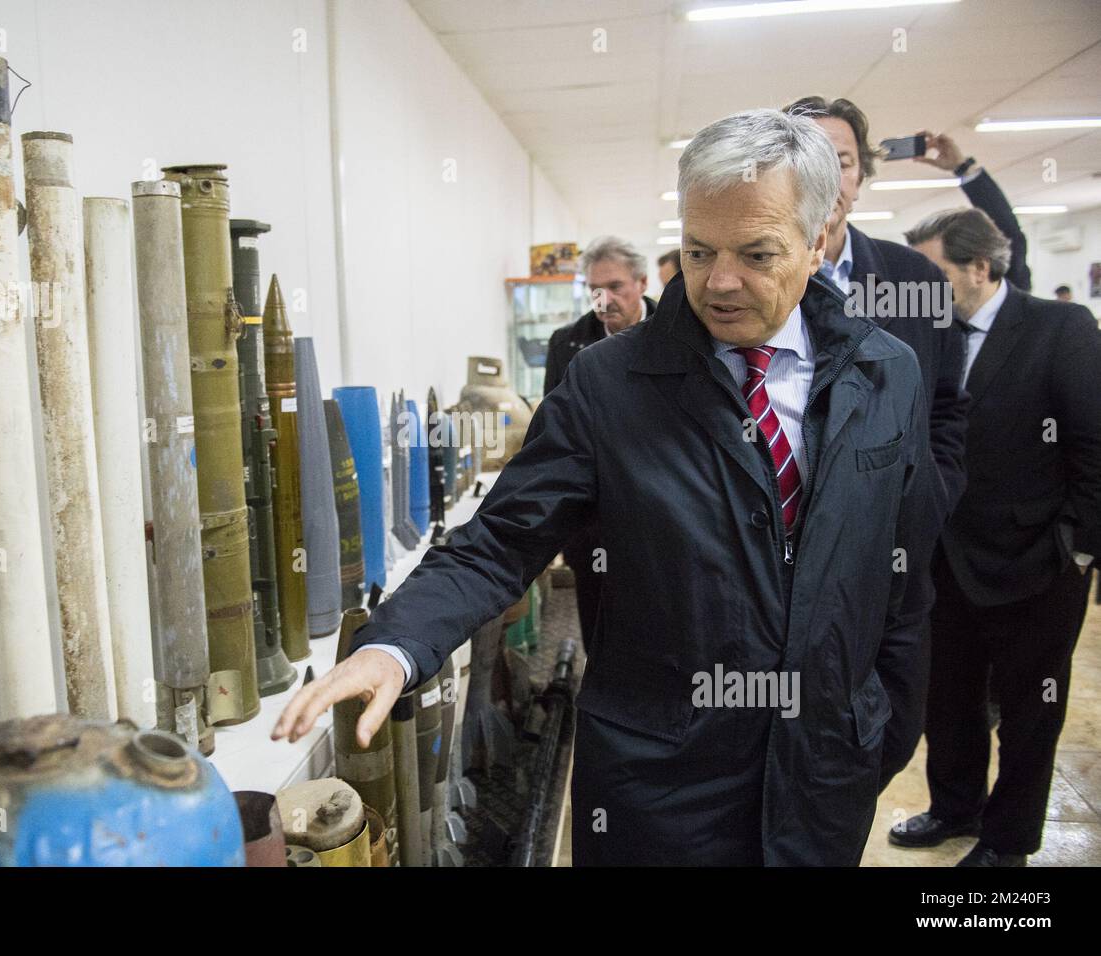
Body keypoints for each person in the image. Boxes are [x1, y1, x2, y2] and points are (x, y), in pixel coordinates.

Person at [273, 109, 930, 866]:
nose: (717, 282)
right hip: (659, 792)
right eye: (697, 250)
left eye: (755, 253)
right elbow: (496, 544)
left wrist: (879, 727)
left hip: (821, 784)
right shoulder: (608, 386)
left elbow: (905, 578)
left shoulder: (886, 377)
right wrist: (394, 643)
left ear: (819, 242)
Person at [893, 208, 1101, 867]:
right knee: (946, 698)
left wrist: (1080, 548)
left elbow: (1095, 445)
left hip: (1035, 563)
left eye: (935, 274)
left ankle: (1008, 841)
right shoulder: (925, 335)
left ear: (981, 268)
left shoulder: (1058, 327)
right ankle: (955, 808)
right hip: (943, 561)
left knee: (1029, 711)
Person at [784, 96, 969, 791]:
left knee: (892, 732)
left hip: (894, 561)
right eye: (812, 159)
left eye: (845, 161)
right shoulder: (756, 278)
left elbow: (950, 407)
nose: (831, 176)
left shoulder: (914, 281)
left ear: (861, 178)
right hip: (788, 564)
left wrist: (931, 496)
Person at [541, 237, 657, 652]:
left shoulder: (683, 334)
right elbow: (555, 436)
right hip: (593, 519)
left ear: (642, 282)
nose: (604, 299)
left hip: (663, 514)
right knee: (598, 625)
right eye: (595, 289)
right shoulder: (566, 345)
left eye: (616, 286)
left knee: (661, 630)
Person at [913, 131, 1032, 291]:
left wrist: (963, 167)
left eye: (943, 273)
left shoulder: (1010, 298)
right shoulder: (925, 310)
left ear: (980, 269)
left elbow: (1008, 236)